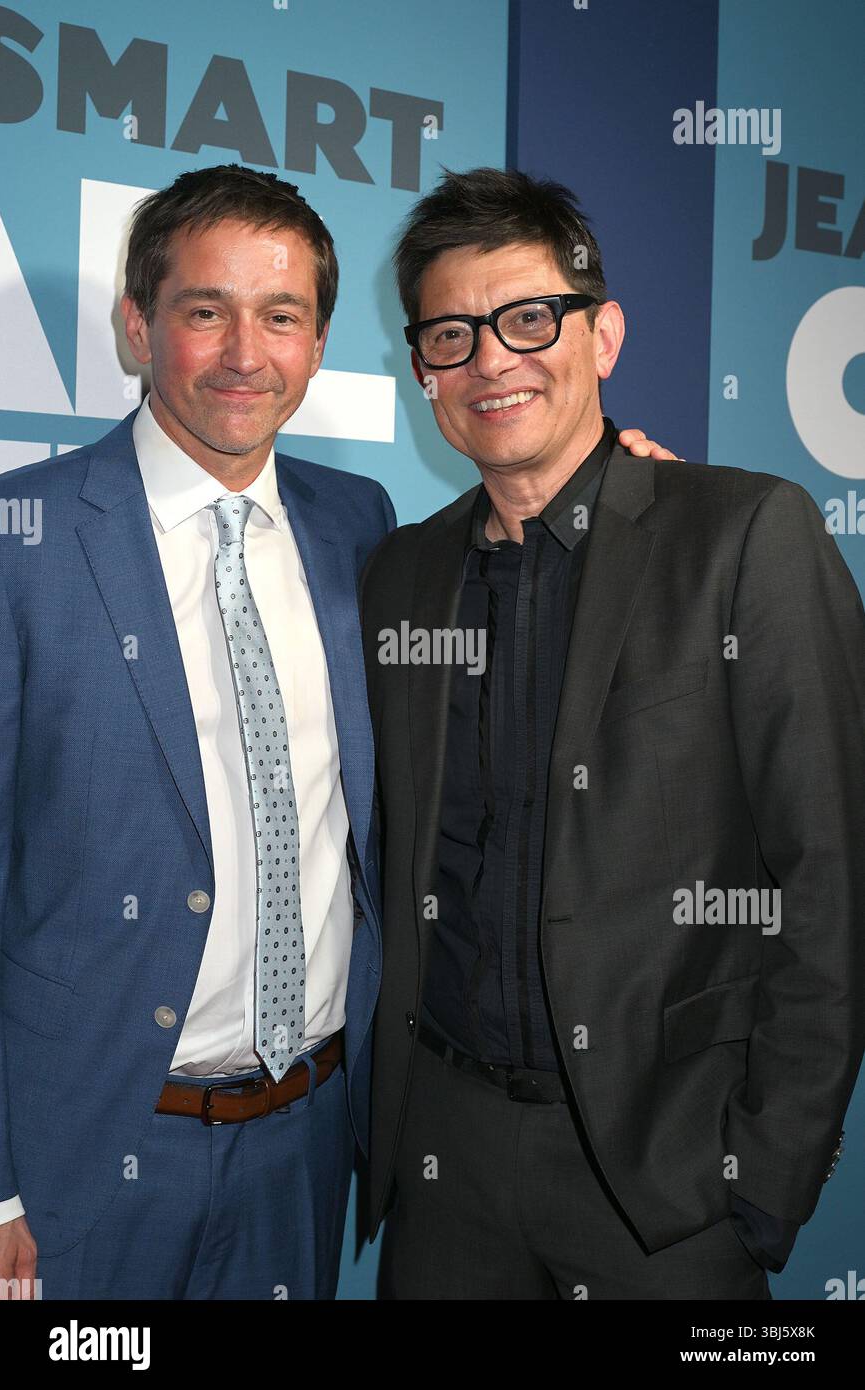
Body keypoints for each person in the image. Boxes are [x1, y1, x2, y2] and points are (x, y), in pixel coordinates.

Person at [0, 161, 666, 1301]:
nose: (244, 354)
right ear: (136, 324)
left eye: (281, 316)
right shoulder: (27, 541)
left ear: (316, 345)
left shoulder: (359, 532)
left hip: (305, 1149)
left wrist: (621, 501)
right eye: (205, 311)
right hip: (76, 1159)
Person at [360, 166, 865, 1300]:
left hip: (668, 1178)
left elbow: (832, 874)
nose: (491, 357)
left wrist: (767, 1172)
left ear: (604, 336)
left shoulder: (742, 536)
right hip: (443, 1165)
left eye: (528, 318)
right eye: (452, 333)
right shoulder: (397, 576)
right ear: (423, 373)